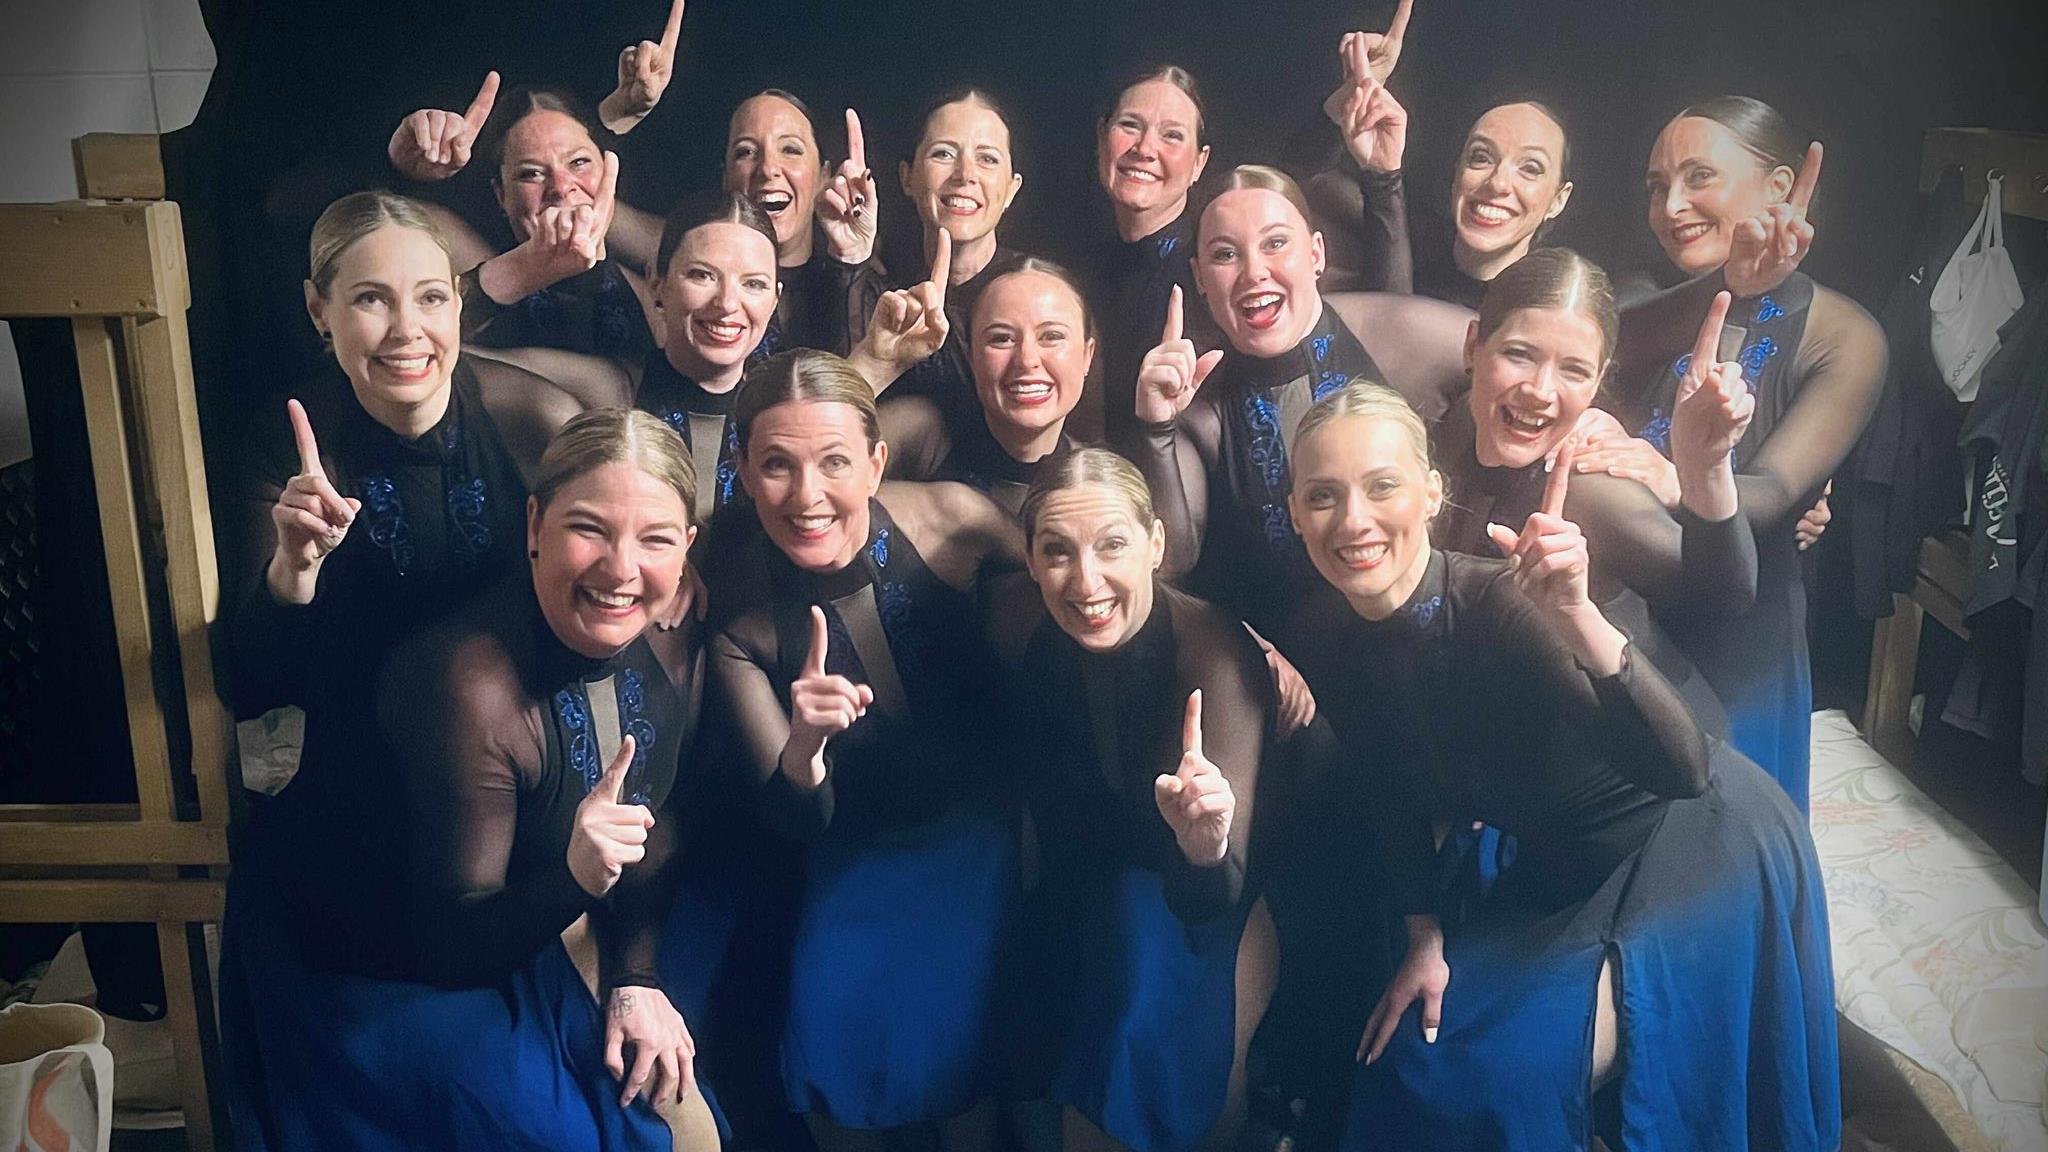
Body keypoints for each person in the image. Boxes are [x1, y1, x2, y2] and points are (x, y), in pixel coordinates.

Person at [1278, 382, 1837, 1151]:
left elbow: (1685, 770)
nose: (1354, 521)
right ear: (1294, 511)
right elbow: (1388, 788)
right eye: (1323, 496)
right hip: (1566, 865)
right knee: (1416, 1062)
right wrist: (1422, 936)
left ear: (1432, 494)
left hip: (1698, 844)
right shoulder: (1324, 631)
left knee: (1505, 1078)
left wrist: (1577, 614)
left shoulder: (1502, 603)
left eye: (1382, 487)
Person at [222, 408, 721, 1150]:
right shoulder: (468, 685)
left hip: (520, 912)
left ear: (684, 551)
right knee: (565, 1136)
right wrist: (577, 879)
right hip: (369, 960)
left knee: (682, 1112)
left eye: (653, 540)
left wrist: (638, 980)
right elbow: (449, 944)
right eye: (589, 527)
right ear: (533, 527)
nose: (621, 569)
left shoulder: (654, 640)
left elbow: (656, 828)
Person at [223, 190, 584, 983]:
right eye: (370, 300)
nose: (407, 331)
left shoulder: (538, 418)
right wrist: (294, 572)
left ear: (459, 302)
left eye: (430, 297)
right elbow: (247, 687)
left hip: (523, 793)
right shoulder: (279, 448)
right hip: (359, 808)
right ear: (320, 311)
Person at [709, 349, 1024, 1151]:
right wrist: (804, 749)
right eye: (776, 465)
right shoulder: (740, 617)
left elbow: (1089, 585)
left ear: (877, 462)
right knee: (829, 1069)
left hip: (981, 837)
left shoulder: (955, 517)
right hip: (849, 854)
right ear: (742, 471)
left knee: (968, 1073)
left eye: (835, 462)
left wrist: (1238, 639)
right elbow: (794, 821)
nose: (807, 495)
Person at [1585, 97, 1885, 806]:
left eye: (1698, 178)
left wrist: (1680, 475)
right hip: (1617, 624)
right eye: (1658, 185)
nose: (1672, 204)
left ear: (1779, 189)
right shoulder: (1638, 297)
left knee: (1718, 849)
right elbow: (1599, 344)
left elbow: (1778, 492)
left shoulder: (1845, 336)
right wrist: (1736, 286)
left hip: (1743, 646)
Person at [990, 449, 1278, 1152]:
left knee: (1135, 1047)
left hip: (1209, 900)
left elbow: (1218, 888)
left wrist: (1203, 842)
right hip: (1084, 883)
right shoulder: (1011, 622)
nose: (1085, 581)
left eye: (1112, 544)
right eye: (1057, 551)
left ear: (1156, 544)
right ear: (1029, 560)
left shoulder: (1213, 657)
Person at [1132, 165, 1470, 640]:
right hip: (1297, 667)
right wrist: (1156, 429)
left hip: (1428, 635)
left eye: (1275, 244)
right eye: (1226, 254)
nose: (1253, 272)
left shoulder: (1389, 331)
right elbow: (1170, 562)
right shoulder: (1198, 400)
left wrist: (1585, 421)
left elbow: (1517, 353)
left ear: (1316, 254)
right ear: (1201, 277)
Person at [880, 257, 1095, 516]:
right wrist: (874, 362)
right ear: (971, 356)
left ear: (1087, 356)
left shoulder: (1097, 481)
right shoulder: (920, 432)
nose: (1027, 360)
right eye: (1001, 339)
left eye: (1051, 337)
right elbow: (821, 467)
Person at [874, 89, 1030, 414]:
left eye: (987, 159)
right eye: (943, 154)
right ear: (908, 177)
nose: (965, 175)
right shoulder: (879, 293)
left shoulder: (1043, 296)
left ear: (1011, 190)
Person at [722, 89, 887, 356]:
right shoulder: (696, 282)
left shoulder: (867, 292)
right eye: (746, 152)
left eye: (790, 149)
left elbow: (855, 391)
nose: (767, 168)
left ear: (823, 176)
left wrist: (851, 256)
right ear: (726, 177)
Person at [1413, 101, 1575, 310]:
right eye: (1481, 157)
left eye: (1530, 168)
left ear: (1558, 200)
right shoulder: (1397, 256)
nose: (1497, 183)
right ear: (1457, 172)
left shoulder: (1552, 316)